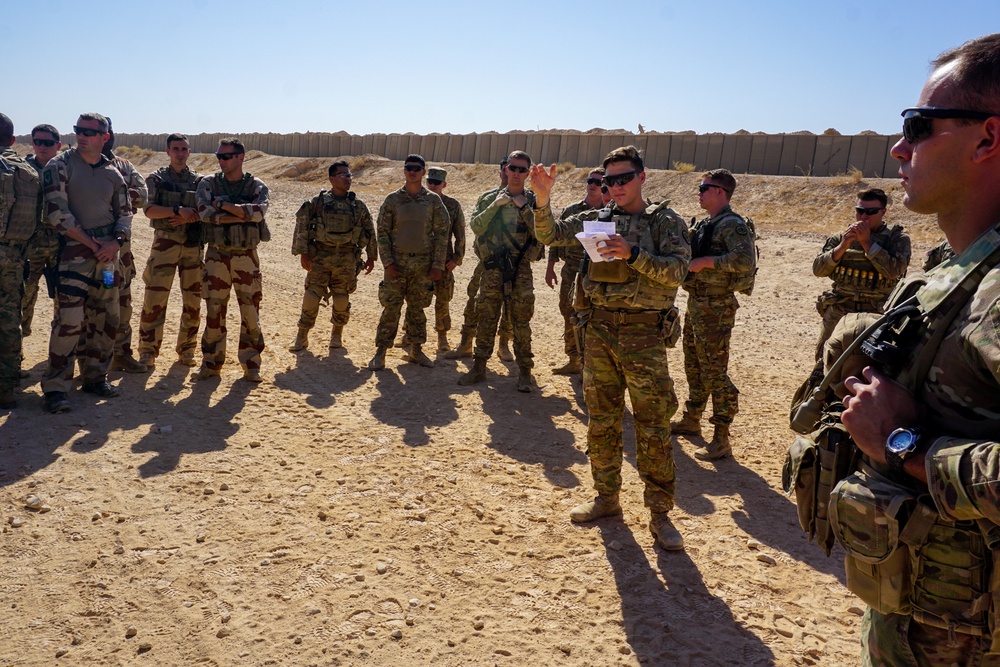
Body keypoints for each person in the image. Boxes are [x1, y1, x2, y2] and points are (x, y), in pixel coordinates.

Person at [836, 33, 1000, 665]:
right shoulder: (964, 272)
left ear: (987, 139)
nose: (900, 147)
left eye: (919, 126)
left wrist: (907, 447)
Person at [529, 145, 691, 550]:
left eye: (623, 179)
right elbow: (550, 233)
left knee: (653, 427)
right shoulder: (598, 219)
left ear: (642, 177)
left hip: (645, 338)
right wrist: (544, 199)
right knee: (601, 422)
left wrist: (633, 254)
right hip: (599, 332)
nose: (614, 188)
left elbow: (678, 271)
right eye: (608, 181)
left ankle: (660, 515)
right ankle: (606, 498)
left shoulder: (665, 222)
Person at [40, 112, 132, 413]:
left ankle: (96, 376)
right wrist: (94, 244)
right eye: (79, 130)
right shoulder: (60, 165)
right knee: (70, 321)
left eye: (90, 132)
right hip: (74, 256)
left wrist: (115, 243)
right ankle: (55, 388)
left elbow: (125, 213)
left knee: (106, 317)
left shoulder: (113, 172)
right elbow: (57, 214)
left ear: (104, 137)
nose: (82, 136)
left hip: (107, 259)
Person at [671, 169, 757, 460]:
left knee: (714, 371)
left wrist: (707, 262)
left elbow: (744, 261)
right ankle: (692, 419)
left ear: (720, 191)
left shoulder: (733, 224)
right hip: (697, 303)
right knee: (694, 365)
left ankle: (721, 437)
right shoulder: (708, 223)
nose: (699, 192)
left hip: (717, 307)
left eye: (704, 187)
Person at [460, 150, 541, 392]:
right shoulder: (488, 199)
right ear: (506, 170)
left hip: (520, 269)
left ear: (528, 172)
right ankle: (479, 367)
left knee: (521, 321)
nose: (516, 173)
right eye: (512, 168)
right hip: (492, 267)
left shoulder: (535, 201)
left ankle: (525, 372)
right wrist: (496, 205)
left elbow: (543, 233)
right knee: (486, 317)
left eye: (521, 169)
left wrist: (525, 208)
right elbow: (475, 226)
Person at [194, 138, 270, 382]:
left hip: (246, 255)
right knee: (214, 310)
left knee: (250, 311)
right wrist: (239, 214)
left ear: (240, 157)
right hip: (217, 255)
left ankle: (251, 364)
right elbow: (205, 214)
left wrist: (223, 205)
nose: (221, 161)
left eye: (226, 156)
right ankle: (211, 363)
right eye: (219, 156)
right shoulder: (208, 183)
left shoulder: (256, 185)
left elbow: (258, 213)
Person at [811, 188, 910, 372]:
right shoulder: (841, 237)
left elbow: (894, 271)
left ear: (883, 212)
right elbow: (818, 269)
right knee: (823, 365)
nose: (864, 217)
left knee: (871, 367)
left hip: (875, 313)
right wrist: (843, 246)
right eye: (860, 211)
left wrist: (867, 243)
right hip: (839, 309)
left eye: (871, 212)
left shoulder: (897, 240)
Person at [367, 154, 448, 371]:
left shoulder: (433, 201)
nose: (412, 171)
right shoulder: (392, 200)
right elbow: (381, 233)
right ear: (404, 171)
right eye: (409, 168)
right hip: (397, 265)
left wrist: (437, 265)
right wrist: (388, 263)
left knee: (417, 310)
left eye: (417, 168)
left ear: (423, 172)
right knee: (391, 309)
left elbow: (442, 233)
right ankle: (380, 352)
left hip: (423, 265)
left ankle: (416, 350)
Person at [289, 160, 375, 351]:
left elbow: (370, 231)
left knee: (342, 298)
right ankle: (302, 336)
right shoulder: (318, 202)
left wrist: (372, 256)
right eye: (343, 175)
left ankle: (336, 336)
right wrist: (303, 253)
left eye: (349, 175)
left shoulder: (358, 206)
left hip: (346, 259)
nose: (347, 179)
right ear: (331, 179)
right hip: (320, 257)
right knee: (311, 296)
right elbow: (302, 226)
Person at [136, 133, 204, 369]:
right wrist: (177, 211)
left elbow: (204, 212)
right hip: (164, 243)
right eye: (175, 148)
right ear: (167, 151)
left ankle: (187, 350)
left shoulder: (199, 181)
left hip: (192, 246)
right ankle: (147, 351)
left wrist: (188, 218)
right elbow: (149, 210)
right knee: (154, 300)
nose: (180, 153)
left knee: (193, 301)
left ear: (189, 151)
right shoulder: (156, 179)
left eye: (184, 149)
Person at [446, 157, 513, 361]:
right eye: (506, 170)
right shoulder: (487, 198)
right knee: (473, 302)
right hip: (486, 262)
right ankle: (466, 344)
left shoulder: (525, 199)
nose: (509, 174)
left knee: (509, 305)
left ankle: (503, 345)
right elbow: (477, 225)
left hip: (512, 264)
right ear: (501, 172)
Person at [0, 113, 43, 409]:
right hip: (14, 256)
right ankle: (6, 388)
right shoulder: (29, 172)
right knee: (9, 319)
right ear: (13, 141)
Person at [544, 167, 605, 375]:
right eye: (590, 180)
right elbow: (556, 239)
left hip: (597, 271)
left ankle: (590, 364)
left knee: (595, 315)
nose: (593, 185)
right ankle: (573, 358)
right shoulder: (573, 210)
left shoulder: (611, 213)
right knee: (568, 311)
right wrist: (550, 268)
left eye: (598, 182)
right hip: (571, 268)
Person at [102, 118, 149, 373]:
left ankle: (121, 353)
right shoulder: (74, 164)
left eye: (108, 132)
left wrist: (117, 195)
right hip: (89, 250)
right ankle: (87, 359)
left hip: (120, 252)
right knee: (89, 304)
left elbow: (142, 195)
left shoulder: (124, 166)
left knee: (122, 299)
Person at [21, 124, 61, 341]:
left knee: (63, 295)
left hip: (61, 240)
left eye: (48, 143)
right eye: (38, 142)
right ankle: (18, 344)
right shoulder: (22, 169)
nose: (42, 147)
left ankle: (60, 351)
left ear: (58, 145)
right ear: (32, 143)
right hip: (31, 241)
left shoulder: (66, 169)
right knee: (25, 293)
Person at [425, 167, 465, 352]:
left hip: (444, 260)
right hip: (420, 259)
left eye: (436, 183)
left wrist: (457, 259)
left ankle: (442, 337)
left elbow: (460, 234)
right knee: (415, 299)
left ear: (444, 185)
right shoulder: (418, 202)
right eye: (430, 182)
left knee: (442, 300)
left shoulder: (452, 205)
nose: (432, 185)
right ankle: (409, 333)